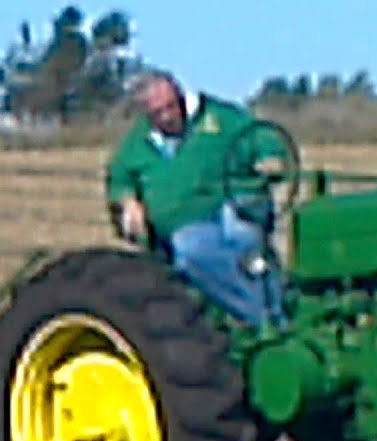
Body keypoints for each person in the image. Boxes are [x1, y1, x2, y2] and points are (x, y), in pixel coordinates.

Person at [105, 69, 288, 328]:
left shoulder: (220, 117)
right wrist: (128, 201)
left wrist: (270, 158)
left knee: (242, 238)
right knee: (191, 250)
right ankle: (261, 317)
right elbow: (120, 177)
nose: (168, 116)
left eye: (172, 106)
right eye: (159, 112)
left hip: (232, 203)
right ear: (147, 113)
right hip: (185, 224)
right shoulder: (138, 143)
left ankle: (272, 314)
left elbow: (260, 137)